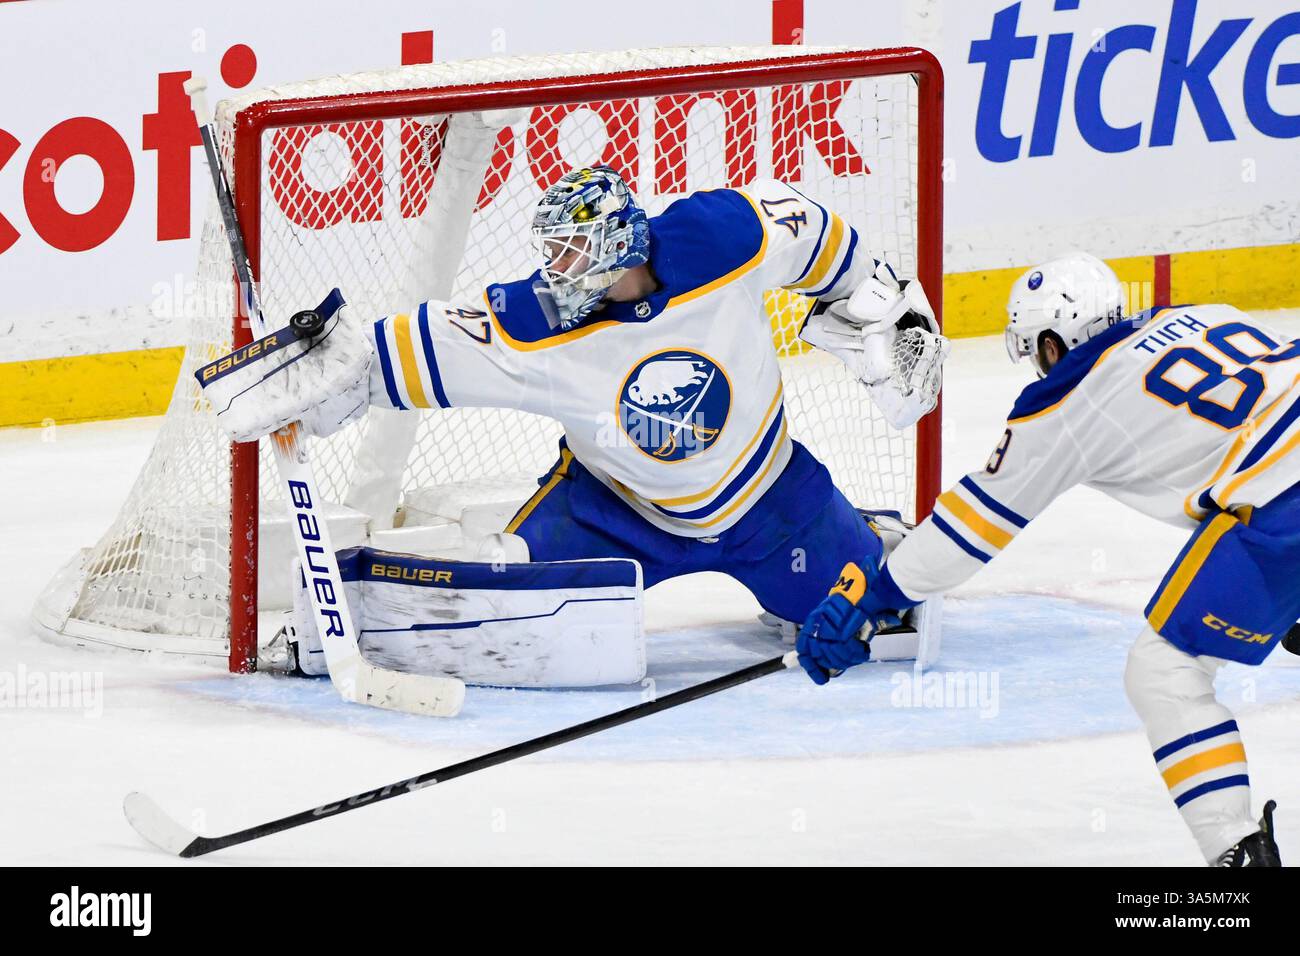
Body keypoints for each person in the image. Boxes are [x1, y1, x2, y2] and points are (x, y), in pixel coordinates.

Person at [796, 250, 1296, 866]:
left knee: (1166, 674)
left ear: (1054, 345)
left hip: (1285, 497)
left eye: (1035, 350)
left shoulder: (1070, 401)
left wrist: (877, 594)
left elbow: (970, 527)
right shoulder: (1203, 313)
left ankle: (1237, 855)